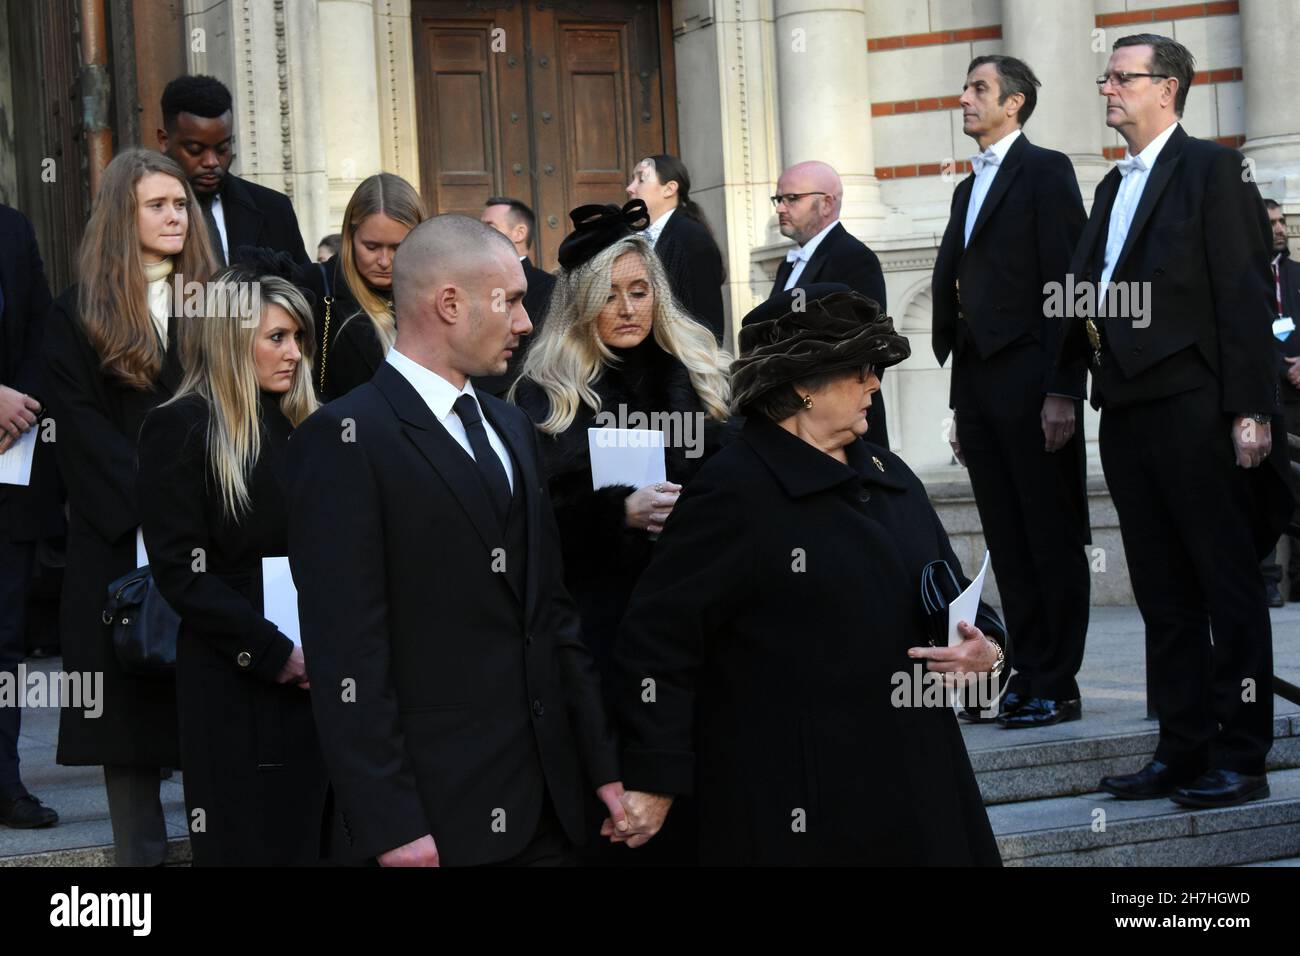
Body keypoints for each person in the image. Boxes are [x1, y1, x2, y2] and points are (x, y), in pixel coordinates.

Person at [607, 285, 1006, 865]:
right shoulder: (734, 492)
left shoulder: (891, 476)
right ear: (802, 384)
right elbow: (658, 643)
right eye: (858, 370)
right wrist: (656, 776)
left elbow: (955, 600)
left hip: (923, 786)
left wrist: (986, 652)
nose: (875, 383)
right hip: (800, 805)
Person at [286, 214, 626, 866]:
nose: (528, 324)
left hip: (550, 810)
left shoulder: (512, 426)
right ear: (449, 303)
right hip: (435, 824)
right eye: (514, 301)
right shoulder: (346, 438)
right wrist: (391, 824)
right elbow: (348, 653)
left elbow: (550, 613)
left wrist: (600, 766)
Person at [1060, 35, 1292, 809]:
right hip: (1125, 411)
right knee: (1163, 592)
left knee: (1226, 586)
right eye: (1108, 77)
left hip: (1198, 406)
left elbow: (1244, 298)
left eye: (1123, 78)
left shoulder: (1214, 170)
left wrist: (1253, 408)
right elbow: (1085, 297)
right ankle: (1182, 747)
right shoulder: (1106, 189)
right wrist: (1065, 386)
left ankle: (1243, 754)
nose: (1108, 90)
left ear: (1169, 89)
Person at [512, 201, 733, 861]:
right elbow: (529, 528)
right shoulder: (544, 396)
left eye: (640, 291)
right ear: (581, 303)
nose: (629, 307)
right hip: (598, 641)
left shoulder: (701, 382)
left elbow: (744, 502)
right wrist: (617, 514)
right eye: (610, 295)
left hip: (702, 643)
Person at [43, 148, 216, 865]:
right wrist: (161, 508)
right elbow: (78, 430)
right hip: (122, 547)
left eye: (181, 204)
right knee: (130, 733)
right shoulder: (78, 310)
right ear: (124, 215)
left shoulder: (217, 298)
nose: (176, 215)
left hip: (215, 533)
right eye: (157, 205)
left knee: (217, 718)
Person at [136, 267, 329, 865]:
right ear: (229, 338)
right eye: (276, 337)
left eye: (298, 337)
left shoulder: (310, 427)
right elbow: (180, 572)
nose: (294, 353)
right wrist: (273, 654)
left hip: (322, 670)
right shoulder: (180, 426)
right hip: (235, 676)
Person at [931, 55, 1091, 729]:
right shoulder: (967, 190)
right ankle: (1026, 670)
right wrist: (960, 407)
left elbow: (1072, 285)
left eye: (979, 90)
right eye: (967, 88)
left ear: (1015, 104)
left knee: (1049, 532)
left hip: (1035, 383)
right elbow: (965, 304)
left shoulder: (1046, 171)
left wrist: (1064, 389)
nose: (964, 100)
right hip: (981, 387)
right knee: (1008, 535)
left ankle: (1060, 682)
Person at [0, 203, 62, 830]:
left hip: (5, 466)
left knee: (3, 639)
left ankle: (4, 782)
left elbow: (41, 331)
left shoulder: (13, 227)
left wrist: (16, 405)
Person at [769, 160, 890, 447]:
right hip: (793, 420)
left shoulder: (854, 258)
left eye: (792, 199)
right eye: (778, 199)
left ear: (826, 203)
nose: (780, 208)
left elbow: (867, 346)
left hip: (840, 426)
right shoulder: (789, 265)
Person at [157, 75, 309, 267]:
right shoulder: (134, 213)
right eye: (195, 149)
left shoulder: (274, 209)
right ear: (164, 140)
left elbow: (303, 292)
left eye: (222, 148)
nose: (211, 162)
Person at [299, 173, 426, 401]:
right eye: (371, 246)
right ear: (349, 236)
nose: (385, 261)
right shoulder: (314, 286)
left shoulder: (438, 290)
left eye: (398, 247)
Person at [626, 155, 726, 342]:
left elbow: (707, 319)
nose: (630, 188)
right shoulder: (633, 236)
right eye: (632, 179)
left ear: (670, 188)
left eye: (641, 179)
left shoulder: (692, 237)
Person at [477, 197, 557, 396]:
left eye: (489, 226)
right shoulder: (473, 282)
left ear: (520, 232)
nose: (479, 233)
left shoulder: (547, 286)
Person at [1260, 199, 1300, 604]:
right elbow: (1248, 328)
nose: (1280, 228)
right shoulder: (1247, 272)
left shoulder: (1298, 275)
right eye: (1272, 222)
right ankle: (1268, 580)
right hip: (1270, 397)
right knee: (1268, 487)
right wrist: (1278, 366)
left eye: (1283, 222)